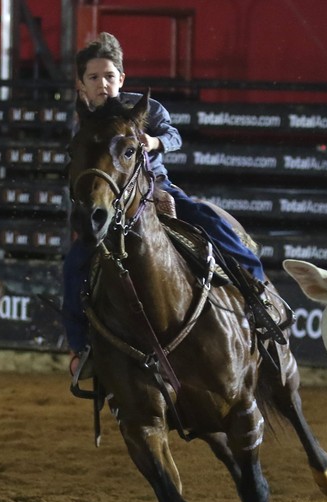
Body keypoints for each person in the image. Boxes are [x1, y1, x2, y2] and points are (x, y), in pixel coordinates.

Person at [63, 33, 268, 376]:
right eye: (94, 77)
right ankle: (80, 346)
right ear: (81, 84)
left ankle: (255, 287)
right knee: (75, 264)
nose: (103, 84)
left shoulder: (147, 109)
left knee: (208, 220)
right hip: (112, 199)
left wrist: (154, 141)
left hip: (156, 187)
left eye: (109, 76)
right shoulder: (83, 120)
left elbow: (174, 135)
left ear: (121, 79)